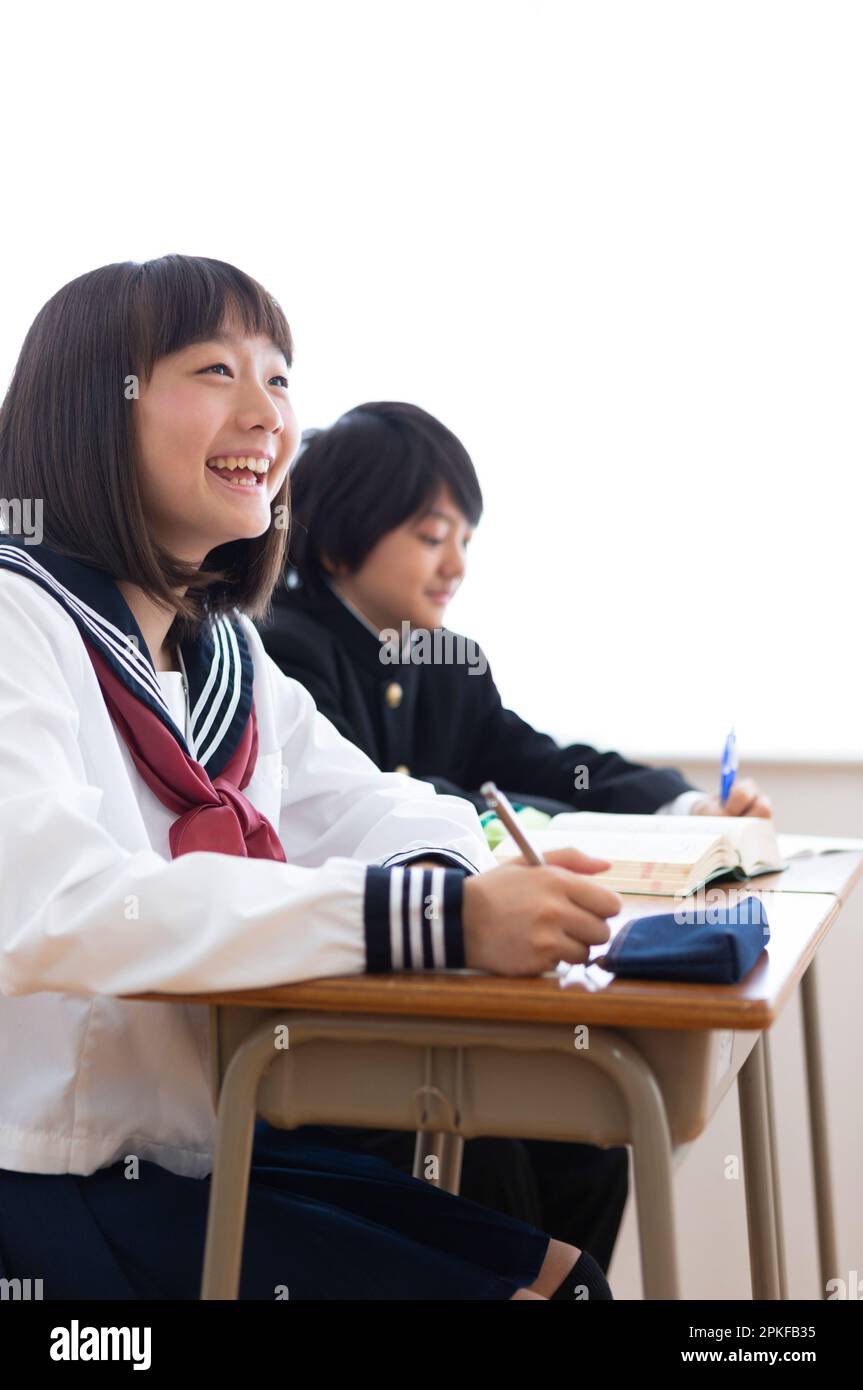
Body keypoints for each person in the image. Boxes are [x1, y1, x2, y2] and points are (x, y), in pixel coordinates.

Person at [0, 256, 623, 1301]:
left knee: (568, 1276)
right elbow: (60, 906)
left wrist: (456, 890)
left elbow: (388, 804)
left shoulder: (224, 651)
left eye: (279, 378)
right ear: (91, 413)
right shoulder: (18, 618)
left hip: (193, 1146)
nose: (265, 413)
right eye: (213, 372)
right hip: (52, 1173)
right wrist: (440, 920)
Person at [256, 400, 773, 1267]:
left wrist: (685, 810)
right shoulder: (285, 648)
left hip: (453, 998)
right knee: (493, 1151)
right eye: (430, 535)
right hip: (346, 1022)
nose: (457, 563)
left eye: (465, 537)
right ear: (341, 540)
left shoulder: (442, 657)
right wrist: (527, 823)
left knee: (591, 1144)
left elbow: (540, 762)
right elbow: (396, 798)